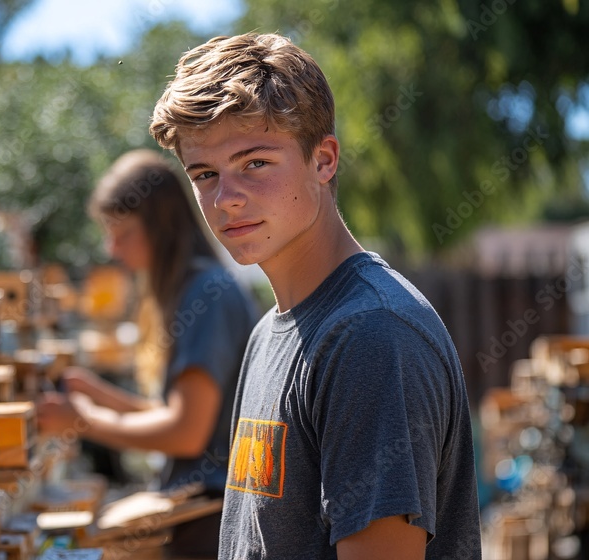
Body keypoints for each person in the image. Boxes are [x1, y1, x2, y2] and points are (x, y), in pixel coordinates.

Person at [147, 32, 481, 558]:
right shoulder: (270, 331)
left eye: (255, 163)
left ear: (323, 160)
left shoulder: (371, 336)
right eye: (205, 174)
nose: (226, 199)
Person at [37, 149, 260, 559]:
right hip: (204, 518)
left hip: (211, 525)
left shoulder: (207, 296)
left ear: (160, 227)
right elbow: (180, 414)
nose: (112, 248)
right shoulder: (198, 288)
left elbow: (186, 432)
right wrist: (100, 395)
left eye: (122, 233)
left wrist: (83, 420)